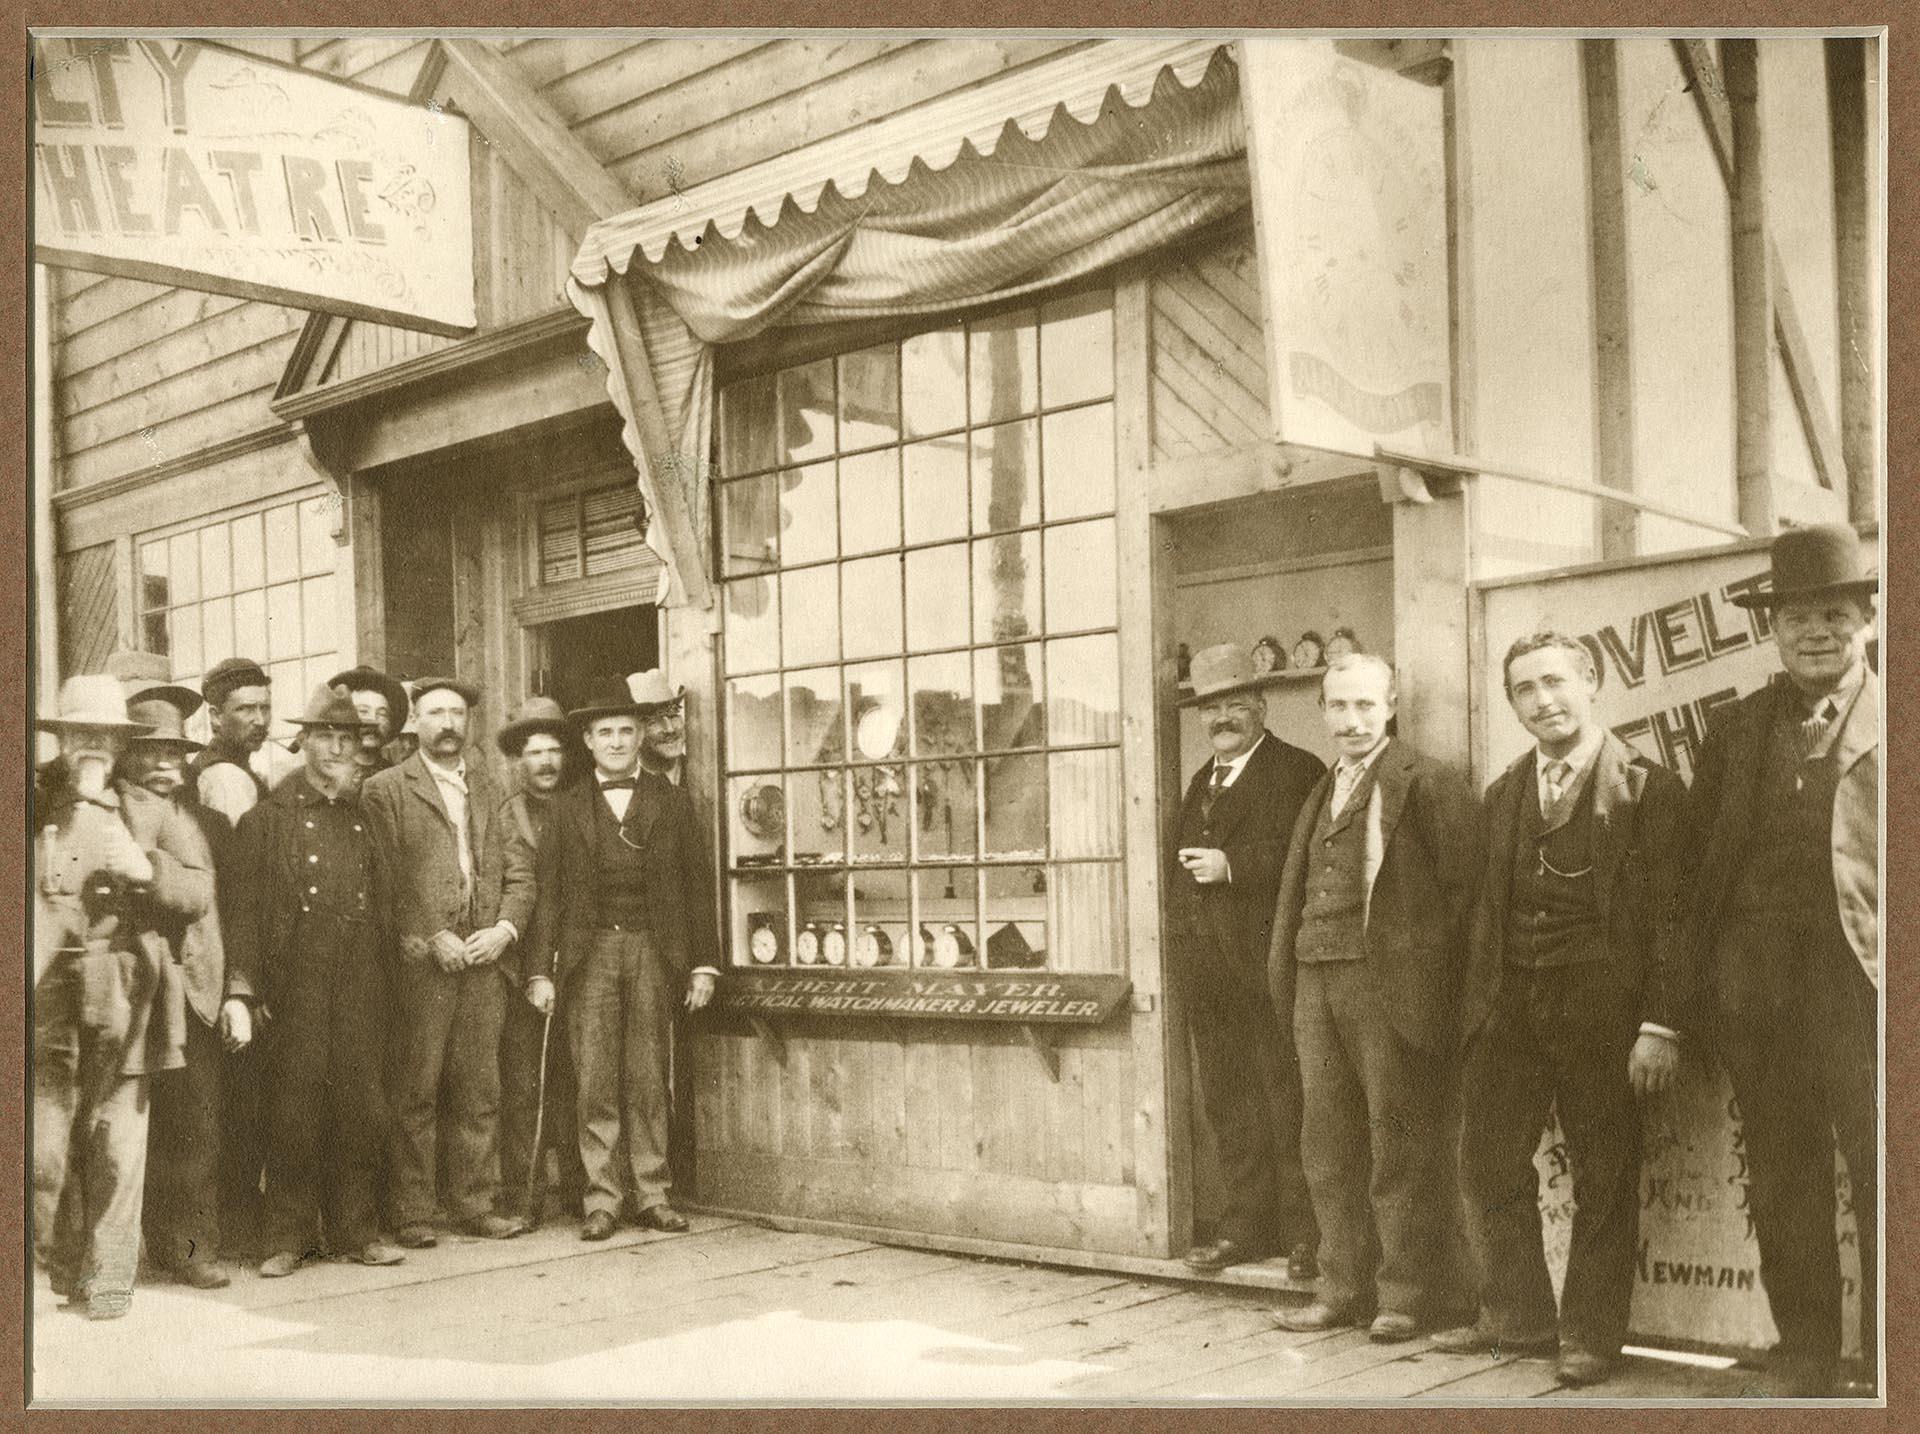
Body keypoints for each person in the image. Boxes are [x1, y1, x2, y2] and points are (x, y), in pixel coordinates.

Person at [1432, 633, 1689, 1386]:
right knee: (1485, 1165)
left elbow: (1677, 919)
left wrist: (1659, 1024)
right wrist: (1479, 1013)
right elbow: (1484, 912)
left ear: (1591, 682)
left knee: (1603, 1177)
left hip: (1605, 1011)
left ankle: (1591, 1337)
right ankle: (1522, 1320)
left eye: (1554, 683)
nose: (1542, 701)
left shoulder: (1649, 788)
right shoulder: (1506, 790)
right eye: (1524, 690)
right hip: (1512, 1006)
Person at [1674, 524, 1880, 1399]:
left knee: (1885, 1168)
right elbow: (1695, 878)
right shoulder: (1734, 731)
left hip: (1867, 990)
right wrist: (1694, 996)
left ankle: (1887, 1355)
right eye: (1796, 619)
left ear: (1867, 620)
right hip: (1757, 997)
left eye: (1833, 614)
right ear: (1773, 630)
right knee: (1786, 1174)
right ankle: (1804, 1349)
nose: (1815, 634)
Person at [1269, 654, 1480, 1342]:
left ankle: (1406, 1296)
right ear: (1323, 711)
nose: (1351, 721)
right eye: (1338, 707)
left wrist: (1439, 994)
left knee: (1399, 1141)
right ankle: (1341, 1287)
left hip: (1387, 988)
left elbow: (1463, 900)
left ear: (1391, 704)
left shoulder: (1430, 782)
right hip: (1315, 980)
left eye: (1365, 705)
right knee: (1325, 1142)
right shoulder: (1323, 786)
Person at [223, 685, 405, 1277]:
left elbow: (386, 902)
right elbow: (244, 915)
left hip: (361, 976)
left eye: (346, 738)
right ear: (305, 743)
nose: (335, 747)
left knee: (361, 1102)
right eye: (324, 736)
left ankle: (358, 1230)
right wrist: (246, 989)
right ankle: (288, 1237)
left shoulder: (367, 816)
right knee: (293, 1107)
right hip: (295, 977)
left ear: (360, 749)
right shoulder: (267, 819)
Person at [532, 676, 720, 1239]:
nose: (616, 741)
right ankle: (602, 1199)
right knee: (594, 1079)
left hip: (652, 950)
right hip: (590, 957)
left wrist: (702, 964)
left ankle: (654, 1193)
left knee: (646, 1076)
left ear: (642, 736)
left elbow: (696, 887)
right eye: (604, 732)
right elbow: (548, 896)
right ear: (587, 741)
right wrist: (541, 971)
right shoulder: (565, 810)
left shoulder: (670, 800)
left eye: (626, 730)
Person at [1166, 643, 1325, 1276]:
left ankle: (1307, 1236)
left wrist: (1233, 866)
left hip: (1270, 973)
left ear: (1261, 707)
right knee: (1229, 1106)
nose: (1222, 718)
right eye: (1211, 709)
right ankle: (1246, 1229)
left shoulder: (1298, 770)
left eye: (1236, 704)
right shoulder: (1202, 779)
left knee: (1290, 1103)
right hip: (1210, 981)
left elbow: (1308, 860)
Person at [363, 677, 534, 1246]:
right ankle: (412, 1211)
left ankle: (474, 1202)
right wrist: (430, 933)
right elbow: (385, 878)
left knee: (479, 1089)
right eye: (435, 713)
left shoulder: (493, 787)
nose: (448, 724)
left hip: (485, 959)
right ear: (414, 721)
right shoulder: (386, 789)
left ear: (469, 723)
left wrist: (504, 930)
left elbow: (521, 871)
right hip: (423, 966)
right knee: (416, 1090)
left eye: (457, 714)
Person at [33, 675, 182, 1320]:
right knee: (45, 1145)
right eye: (80, 734)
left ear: (121, 745)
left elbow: (193, 891)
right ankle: (53, 1270)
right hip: (45, 994)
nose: (92, 746)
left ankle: (111, 1278)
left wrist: (144, 875)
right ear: (61, 740)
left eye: (104, 736)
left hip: (122, 991)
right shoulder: (33, 802)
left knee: (118, 1140)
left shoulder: (148, 808)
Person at [114, 675, 251, 1292]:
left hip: (195, 991)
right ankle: (112, 1253)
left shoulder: (203, 820)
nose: (166, 762)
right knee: (121, 1127)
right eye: (152, 750)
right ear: (126, 754)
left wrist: (235, 993)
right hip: (129, 995)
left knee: (195, 1127)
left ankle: (190, 1248)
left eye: (175, 752)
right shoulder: (105, 813)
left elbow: (223, 907)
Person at [495, 696, 586, 1225]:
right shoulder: (505, 814)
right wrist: (532, 970)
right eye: (535, 752)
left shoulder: (580, 807)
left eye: (554, 750)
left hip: (573, 961)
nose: (547, 762)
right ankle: (522, 1196)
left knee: (573, 1077)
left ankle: (576, 1189)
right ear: (519, 760)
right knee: (523, 1082)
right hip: (517, 965)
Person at [189, 657, 274, 827]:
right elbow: (241, 849)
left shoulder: (224, 766)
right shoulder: (227, 777)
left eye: (265, 708)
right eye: (245, 709)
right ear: (216, 716)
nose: (260, 720)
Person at [330, 665, 411, 779]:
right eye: (363, 711)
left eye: (382, 714)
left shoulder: (397, 778)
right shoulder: (321, 773)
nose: (373, 721)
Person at [630, 670, 688, 785]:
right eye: (654, 721)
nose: (670, 729)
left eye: (673, 716)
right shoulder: (626, 784)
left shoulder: (703, 771)